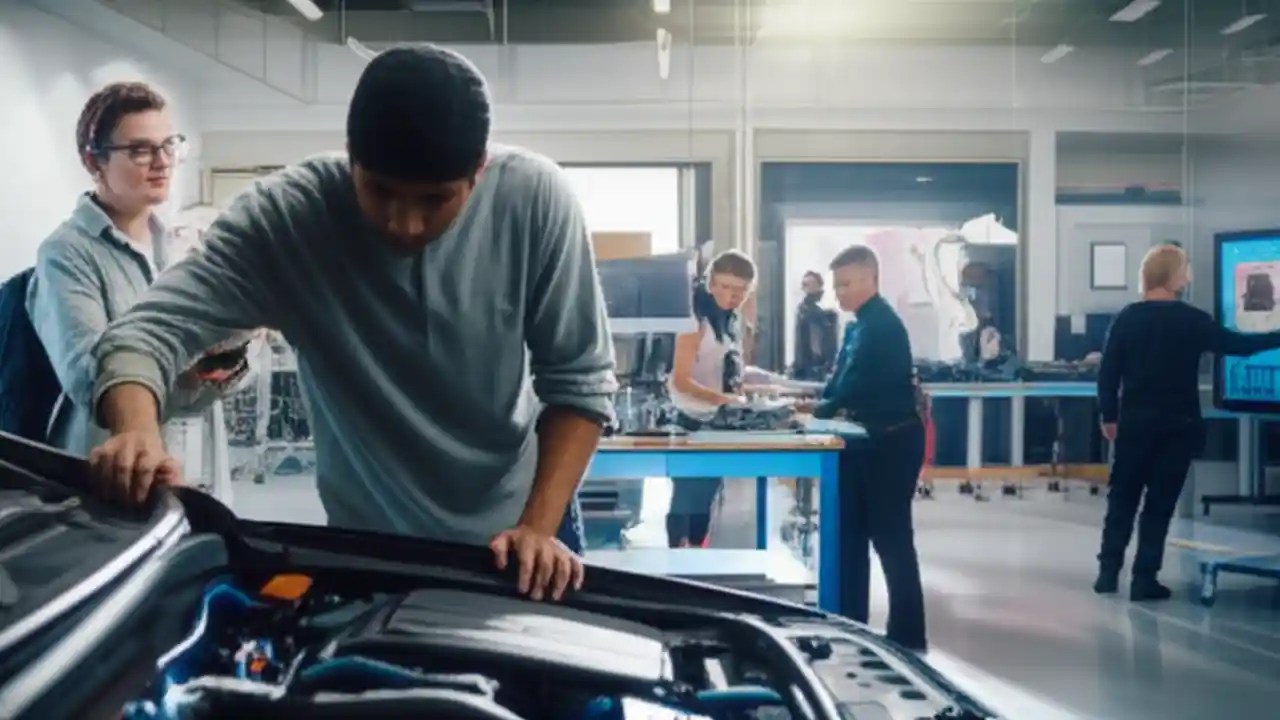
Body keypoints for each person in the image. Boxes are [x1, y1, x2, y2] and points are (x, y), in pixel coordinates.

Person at [86, 45, 616, 602]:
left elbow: (579, 382)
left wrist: (538, 527)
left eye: (435, 200)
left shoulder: (535, 201)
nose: (405, 224)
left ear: (478, 171)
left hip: (523, 533)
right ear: (350, 159)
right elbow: (140, 337)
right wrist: (137, 435)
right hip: (369, 546)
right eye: (381, 191)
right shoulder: (289, 221)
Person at [26, 81, 249, 457]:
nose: (163, 162)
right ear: (93, 161)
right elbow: (92, 380)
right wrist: (194, 373)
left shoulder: (180, 245)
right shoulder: (66, 254)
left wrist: (231, 353)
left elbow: (204, 377)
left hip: (189, 463)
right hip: (111, 473)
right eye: (140, 150)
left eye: (169, 145)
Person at [1095, 244, 1280, 601]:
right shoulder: (1192, 320)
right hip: (1178, 425)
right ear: (1174, 275)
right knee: (1159, 505)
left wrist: (1110, 416)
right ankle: (1143, 578)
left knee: (1122, 499)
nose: (1190, 272)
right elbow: (1237, 345)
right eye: (1186, 267)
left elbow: (1108, 373)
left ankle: (1107, 572)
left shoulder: (1127, 318)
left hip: (1134, 423)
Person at [809, 245, 927, 651]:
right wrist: (815, 404)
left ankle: (909, 636)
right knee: (853, 534)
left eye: (845, 284)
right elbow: (839, 378)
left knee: (891, 537)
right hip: (866, 441)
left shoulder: (882, 325)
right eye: (836, 285)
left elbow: (851, 385)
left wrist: (815, 410)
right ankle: (851, 623)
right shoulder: (858, 324)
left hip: (892, 442)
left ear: (870, 279)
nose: (837, 293)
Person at [665, 250, 755, 547]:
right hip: (689, 420)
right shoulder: (694, 320)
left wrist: (744, 391)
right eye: (726, 286)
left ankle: (697, 564)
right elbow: (680, 379)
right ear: (711, 283)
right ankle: (679, 566)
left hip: (715, 420)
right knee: (686, 500)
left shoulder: (730, 320)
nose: (733, 296)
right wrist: (724, 399)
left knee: (705, 497)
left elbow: (728, 367)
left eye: (741, 289)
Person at [792, 270, 838, 381]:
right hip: (807, 365)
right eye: (804, 285)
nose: (804, 288)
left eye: (807, 285)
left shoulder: (822, 311)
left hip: (816, 366)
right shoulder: (804, 310)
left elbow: (823, 342)